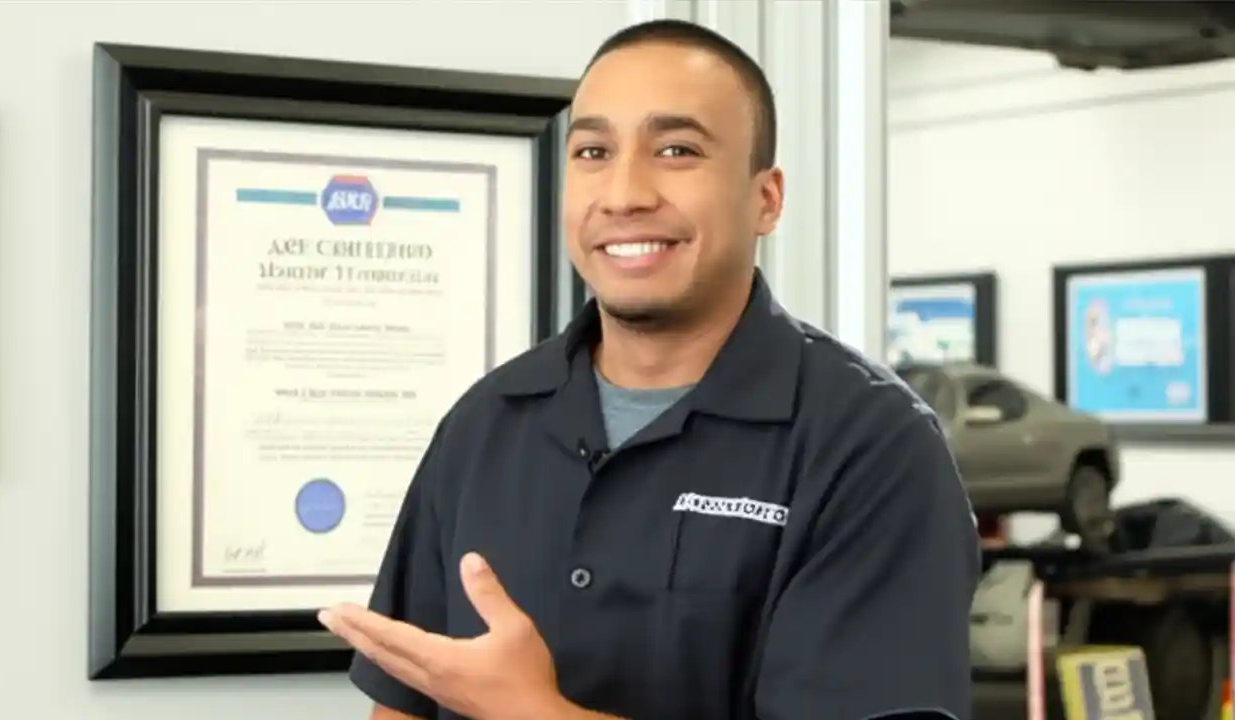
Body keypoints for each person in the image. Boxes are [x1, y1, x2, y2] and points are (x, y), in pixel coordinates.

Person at [318, 18, 981, 720]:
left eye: (676, 150)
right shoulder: (487, 420)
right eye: (593, 151)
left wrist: (532, 713)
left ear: (766, 199)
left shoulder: (871, 445)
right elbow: (405, 703)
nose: (624, 193)